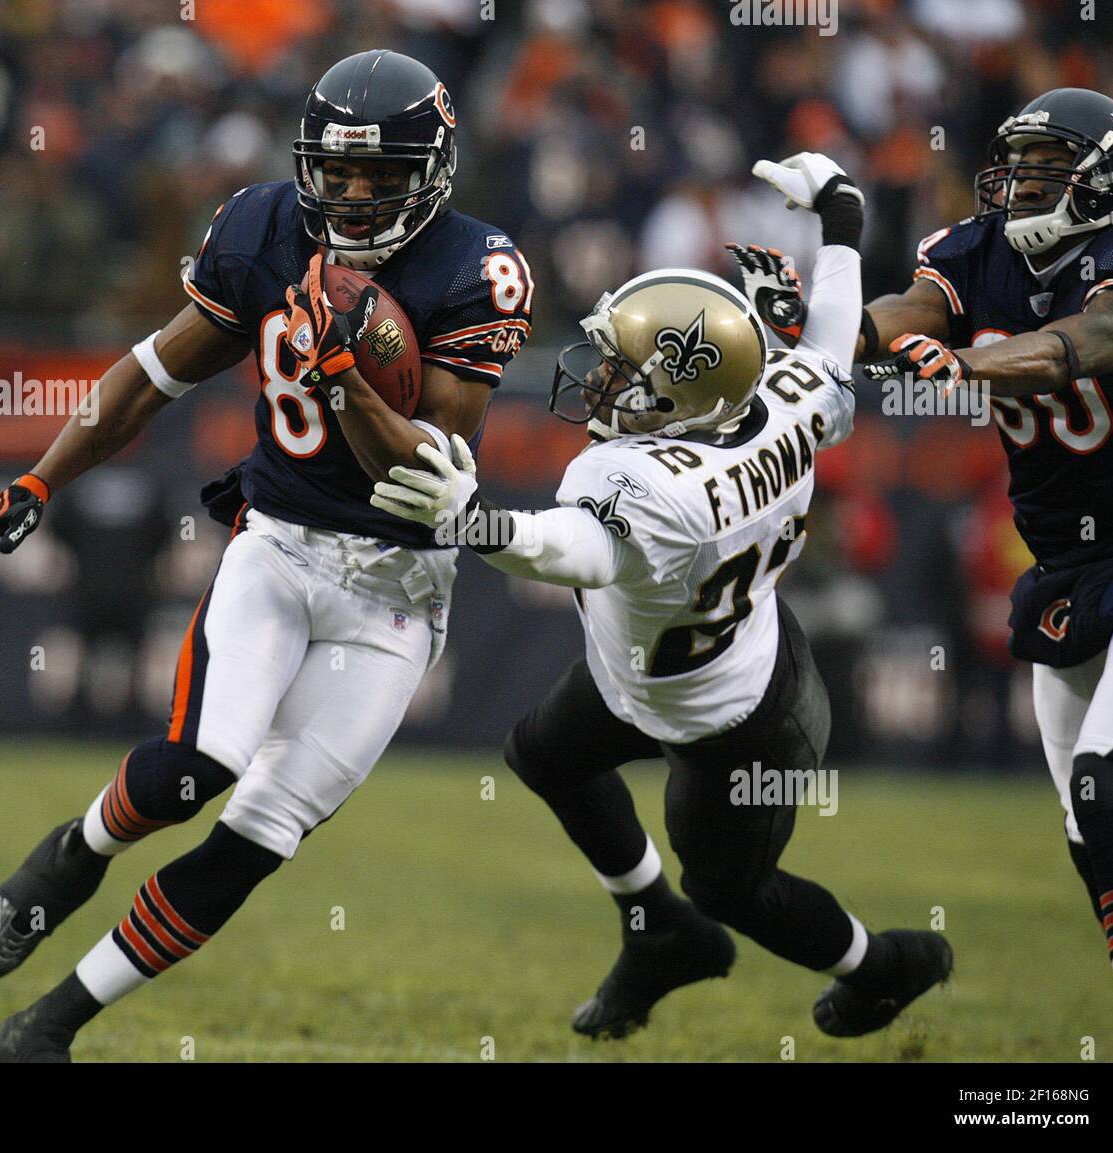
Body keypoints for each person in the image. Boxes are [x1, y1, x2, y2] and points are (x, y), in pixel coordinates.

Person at [0, 49, 532, 1061]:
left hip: (396, 589)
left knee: (258, 834)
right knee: (196, 766)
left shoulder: (475, 269)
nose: (349, 195)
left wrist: (343, 368)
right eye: (334, 172)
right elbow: (147, 374)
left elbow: (430, 471)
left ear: (430, 172)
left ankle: (49, 1026)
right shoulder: (261, 226)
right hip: (281, 547)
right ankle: (76, 853)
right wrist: (40, 478)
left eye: (376, 174)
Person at [371, 153, 951, 1042]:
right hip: (666, 663)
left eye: (621, 368)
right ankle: (659, 935)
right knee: (545, 755)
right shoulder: (789, 398)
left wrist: (475, 522)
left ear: (676, 396)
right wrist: (842, 217)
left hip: (734, 715)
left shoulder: (644, 481)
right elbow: (832, 336)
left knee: (730, 886)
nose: (599, 377)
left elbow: (577, 550)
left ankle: (881, 964)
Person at [844, 87, 1113, 1062]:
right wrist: (836, 337)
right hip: (1070, 560)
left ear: (1104, 181)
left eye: (1048, 168)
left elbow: (1098, 341)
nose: (1020, 185)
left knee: (1105, 786)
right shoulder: (977, 250)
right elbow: (903, 310)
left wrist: (971, 369)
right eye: (1016, 164)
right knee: (1087, 822)